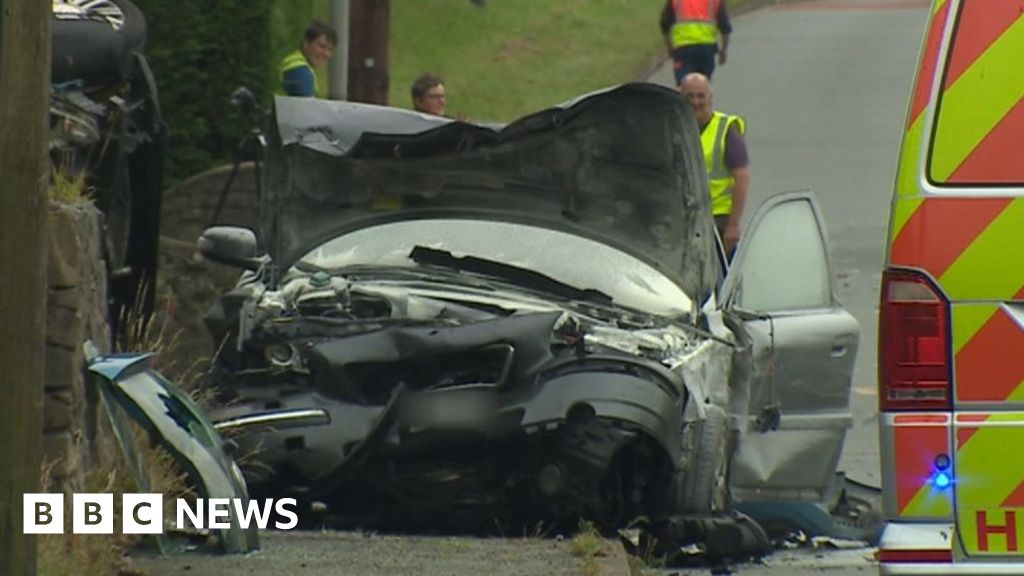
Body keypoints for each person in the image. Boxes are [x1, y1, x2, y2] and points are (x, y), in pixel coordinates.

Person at [679, 72, 749, 257]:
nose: (695, 102)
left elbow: (741, 178)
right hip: (682, 220)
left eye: (701, 96)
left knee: (722, 282)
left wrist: (733, 225)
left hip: (718, 221)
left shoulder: (726, 129)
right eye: (690, 96)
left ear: (711, 98)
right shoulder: (674, 128)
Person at [659, 0, 732, 84]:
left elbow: (664, 23)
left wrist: (670, 47)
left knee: (684, 85)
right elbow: (725, 27)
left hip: (683, 48)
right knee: (702, 87)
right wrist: (724, 51)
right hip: (706, 49)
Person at [279, 20, 338, 98]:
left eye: (330, 49)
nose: (326, 54)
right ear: (306, 43)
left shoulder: (294, 61)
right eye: (322, 46)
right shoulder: (299, 71)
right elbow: (308, 109)